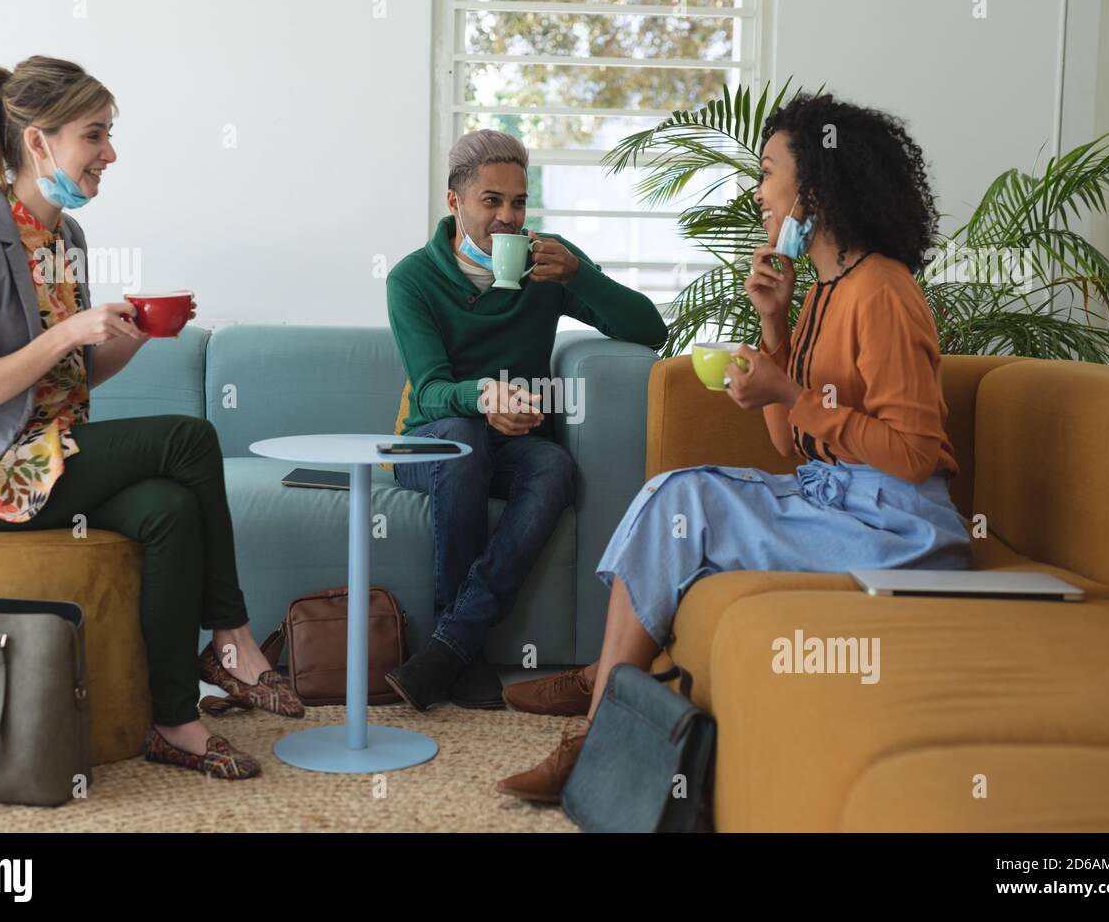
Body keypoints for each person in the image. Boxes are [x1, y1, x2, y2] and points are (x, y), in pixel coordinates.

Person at [496, 93, 973, 802]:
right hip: (839, 503)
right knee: (676, 492)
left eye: (769, 172)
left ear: (814, 185)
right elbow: (792, 445)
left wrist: (791, 390)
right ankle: (609, 676)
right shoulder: (821, 293)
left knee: (681, 495)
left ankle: (601, 717)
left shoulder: (883, 291)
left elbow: (910, 453)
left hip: (898, 530)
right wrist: (775, 329)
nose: (757, 191)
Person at [0, 56, 300, 780]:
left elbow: (71, 376)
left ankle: (175, 721)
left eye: (109, 134)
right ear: (39, 143)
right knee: (190, 436)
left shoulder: (66, 240)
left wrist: (120, 337)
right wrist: (70, 330)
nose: (110, 153)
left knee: (167, 509)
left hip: (52, 454)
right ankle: (233, 641)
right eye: (95, 135)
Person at [384, 130, 669, 711]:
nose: (508, 217)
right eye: (491, 201)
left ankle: (448, 649)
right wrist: (485, 396)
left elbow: (650, 331)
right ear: (454, 202)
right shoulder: (412, 280)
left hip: (514, 445)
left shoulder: (547, 264)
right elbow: (434, 392)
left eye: (518, 202)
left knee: (554, 468)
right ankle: (463, 649)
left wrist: (578, 277)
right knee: (463, 441)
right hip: (431, 442)